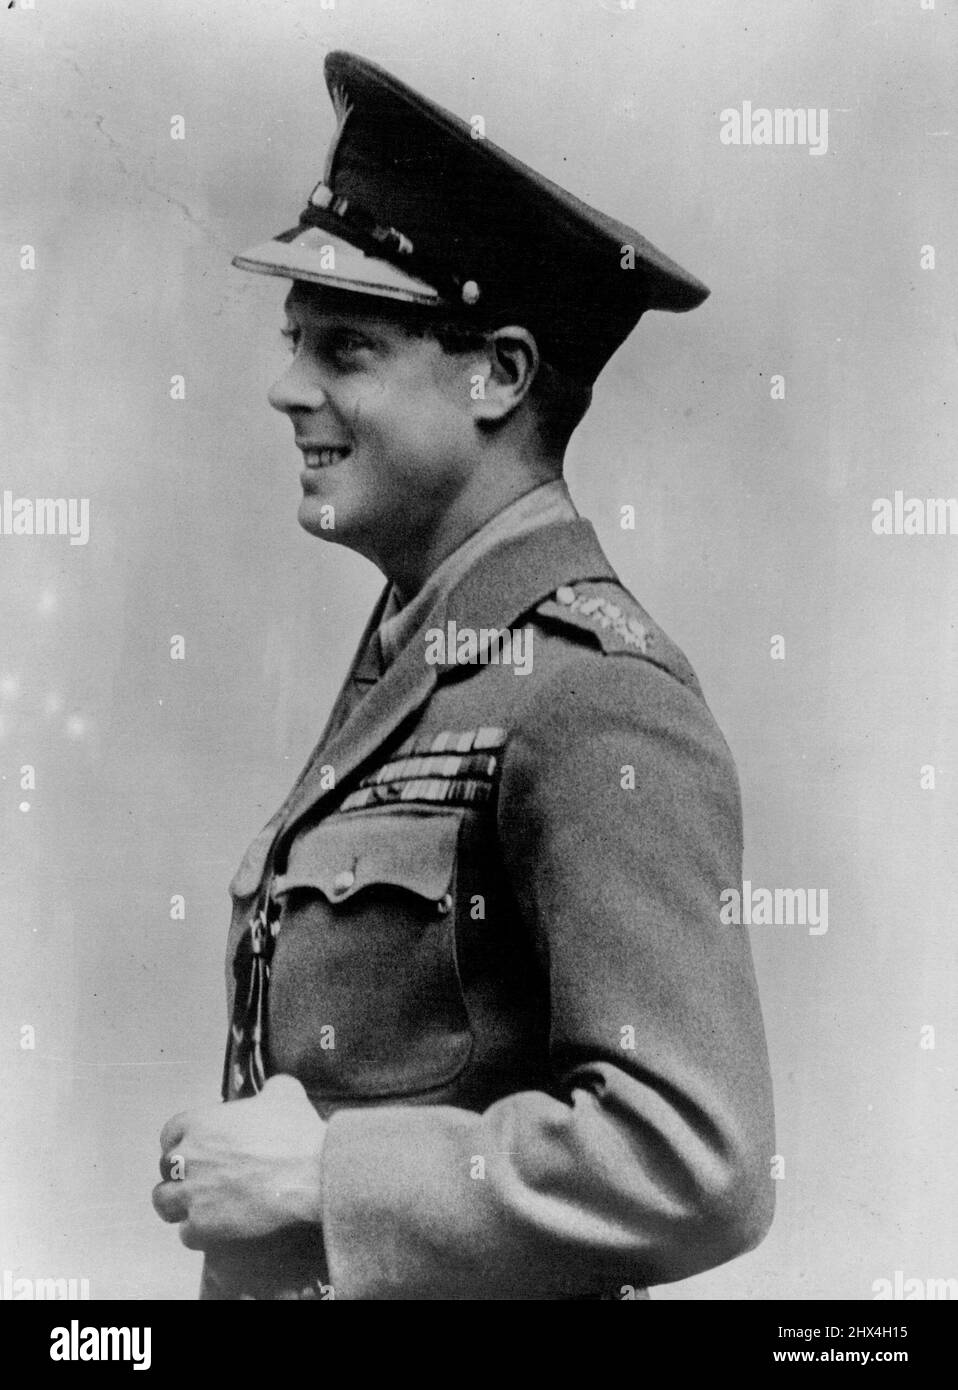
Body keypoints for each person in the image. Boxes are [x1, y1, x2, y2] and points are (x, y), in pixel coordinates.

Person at [153, 50, 775, 1301]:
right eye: (294, 340)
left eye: (346, 347)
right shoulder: (425, 649)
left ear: (497, 373)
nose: (287, 388)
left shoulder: (590, 692)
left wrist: (322, 1178)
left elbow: (696, 1159)